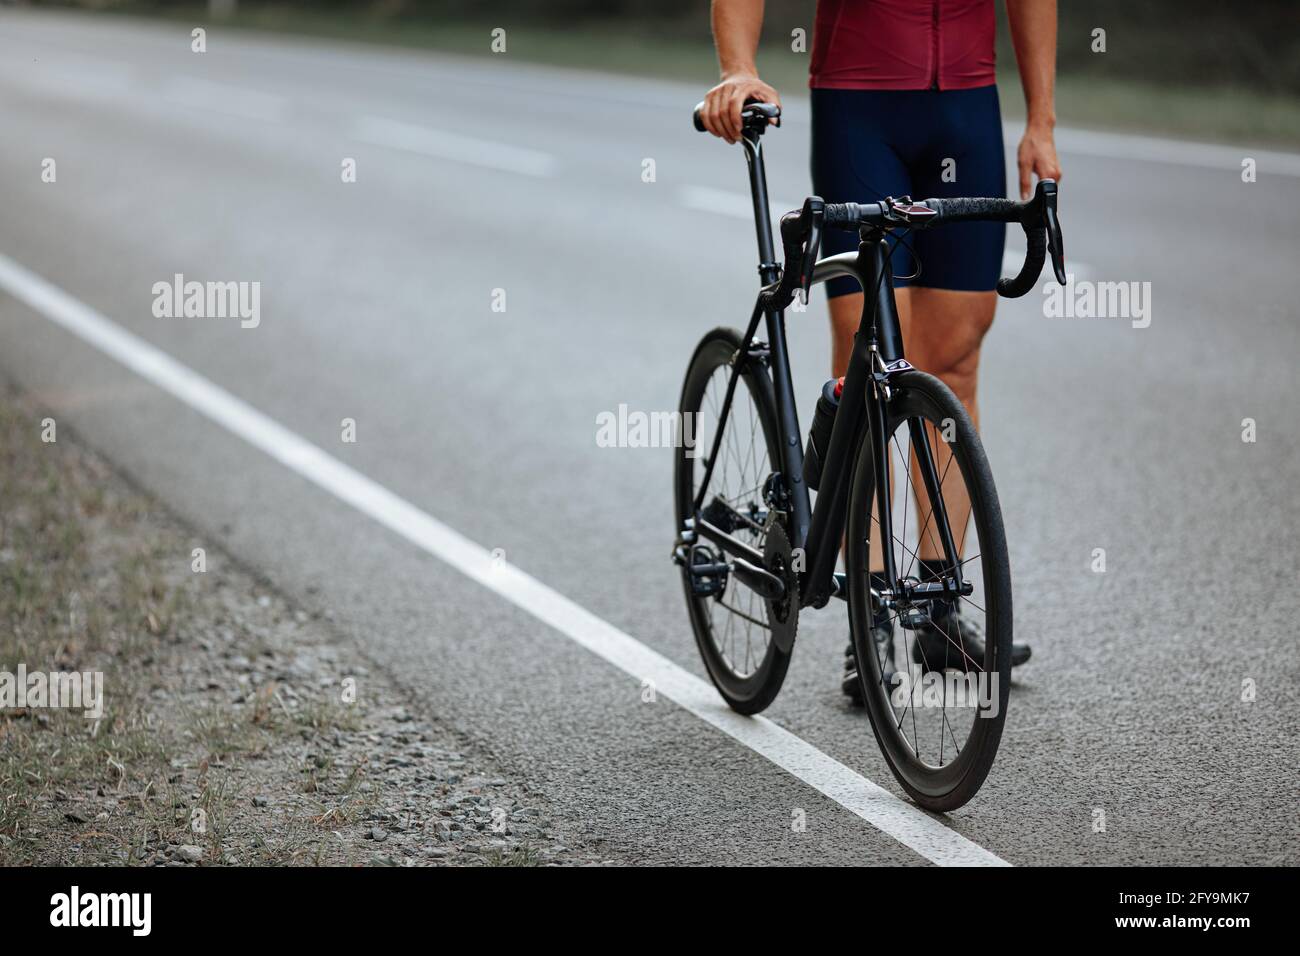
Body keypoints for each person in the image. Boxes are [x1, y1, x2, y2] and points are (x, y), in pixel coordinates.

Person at [699, 0, 1060, 703]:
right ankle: (869, 623)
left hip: (968, 107)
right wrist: (739, 69)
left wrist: (1041, 119)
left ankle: (938, 611)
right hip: (859, 106)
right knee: (865, 344)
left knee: (953, 357)